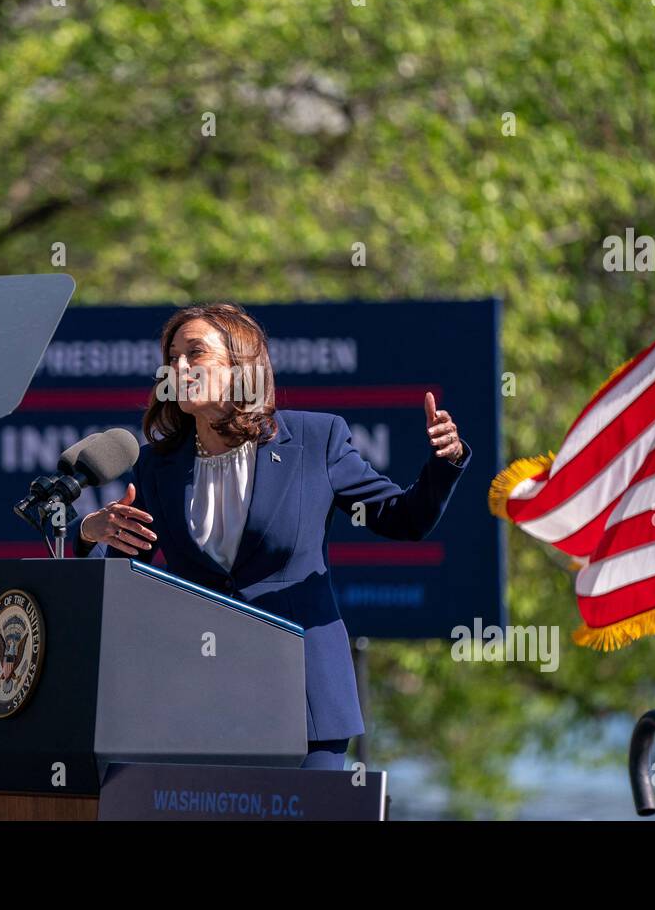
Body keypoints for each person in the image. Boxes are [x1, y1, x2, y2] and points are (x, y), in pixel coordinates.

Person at [74, 302, 469, 770]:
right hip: (198, 700)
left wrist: (446, 460)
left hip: (303, 699)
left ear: (239, 365)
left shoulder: (314, 439)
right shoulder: (156, 463)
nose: (177, 367)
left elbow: (403, 519)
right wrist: (88, 532)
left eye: (194, 353)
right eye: (171, 356)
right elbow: (120, 561)